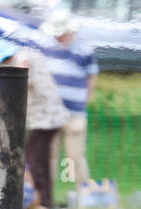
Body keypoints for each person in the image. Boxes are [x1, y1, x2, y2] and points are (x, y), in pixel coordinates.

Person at [0, 37, 70, 209]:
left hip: (46, 118)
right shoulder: (29, 54)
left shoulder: (23, 58)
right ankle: (45, 201)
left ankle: (43, 203)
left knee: (35, 159)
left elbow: (22, 74)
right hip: (47, 117)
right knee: (39, 159)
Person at [40, 11, 98, 191]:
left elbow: (91, 77)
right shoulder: (45, 47)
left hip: (75, 113)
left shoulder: (85, 49)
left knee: (75, 157)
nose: (59, 37)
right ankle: (46, 198)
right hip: (50, 112)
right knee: (48, 156)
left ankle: (83, 195)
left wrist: (85, 101)